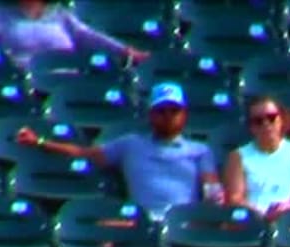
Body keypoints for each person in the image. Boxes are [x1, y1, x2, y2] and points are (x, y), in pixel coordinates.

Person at [13, 82, 220, 218]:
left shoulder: (200, 151)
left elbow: (212, 190)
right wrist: (39, 141)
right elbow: (84, 154)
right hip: (140, 221)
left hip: (182, 221)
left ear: (184, 115)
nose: (167, 116)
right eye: (161, 111)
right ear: (151, 114)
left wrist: (213, 204)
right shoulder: (130, 144)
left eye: (174, 111)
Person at [223, 94, 290, 218]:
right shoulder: (238, 156)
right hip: (253, 219)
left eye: (271, 118)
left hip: (288, 219)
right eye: (258, 121)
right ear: (251, 127)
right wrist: (260, 213)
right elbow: (235, 198)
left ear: (281, 120)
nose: (266, 124)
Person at [0, 0, 148, 71]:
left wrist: (124, 51)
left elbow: (88, 36)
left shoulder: (60, 15)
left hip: (65, 77)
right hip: (23, 80)